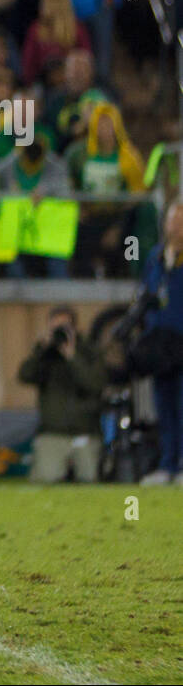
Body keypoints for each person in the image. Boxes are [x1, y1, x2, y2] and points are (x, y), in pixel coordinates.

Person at [17, 305, 107, 483]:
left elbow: (96, 384)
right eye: (55, 327)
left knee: (90, 478)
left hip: (85, 432)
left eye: (64, 327)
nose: (60, 332)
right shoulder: (45, 354)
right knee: (45, 479)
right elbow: (25, 376)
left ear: (74, 328)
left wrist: (72, 357)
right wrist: (42, 350)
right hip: (53, 432)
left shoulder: (89, 351)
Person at [139, 201, 183, 485]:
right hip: (159, 342)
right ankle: (167, 463)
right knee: (164, 403)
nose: (175, 226)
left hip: (182, 338)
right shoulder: (155, 258)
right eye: (172, 220)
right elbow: (147, 295)